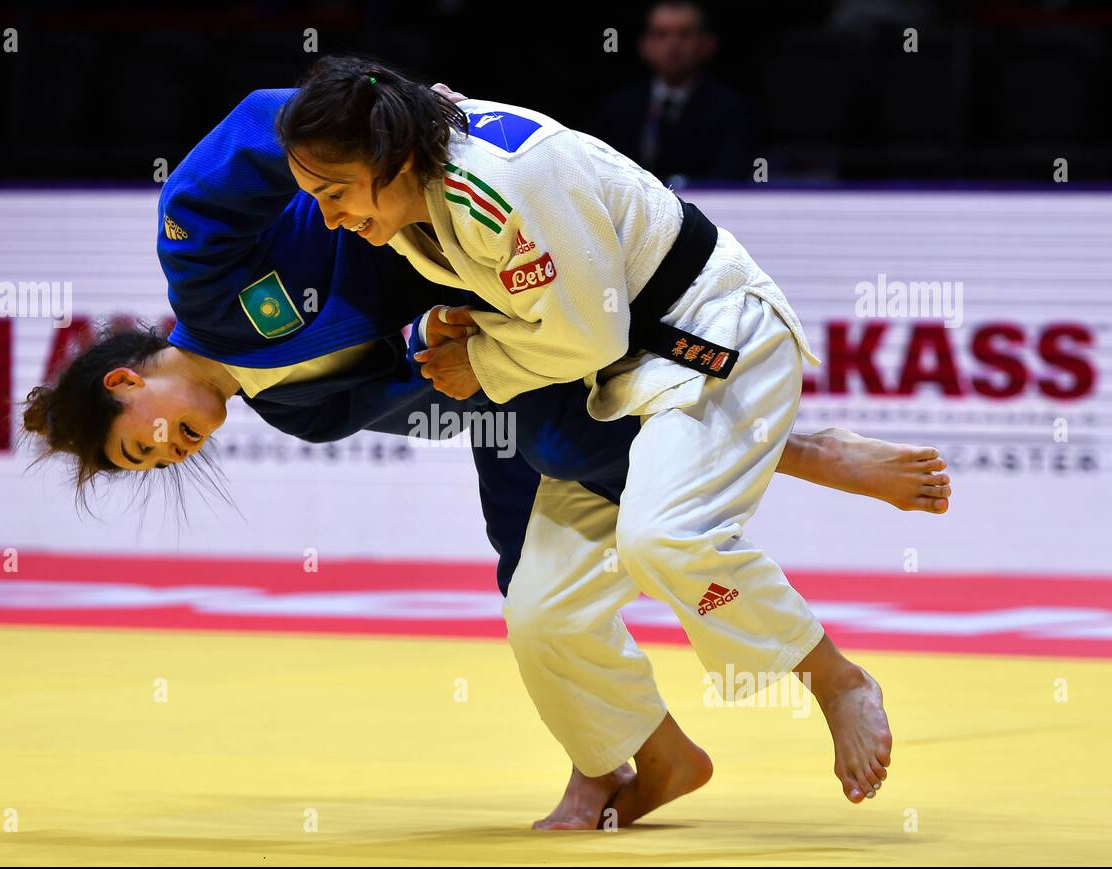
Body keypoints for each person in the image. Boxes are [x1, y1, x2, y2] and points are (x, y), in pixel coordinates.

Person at [23, 83, 951, 829]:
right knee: (535, 604)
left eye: (139, 443)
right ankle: (634, 751)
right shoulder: (298, 414)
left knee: (657, 529)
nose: (166, 454)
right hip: (508, 367)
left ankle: (784, 461)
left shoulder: (201, 254)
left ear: (123, 383)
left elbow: (277, 116)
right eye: (153, 466)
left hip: (546, 303)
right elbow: (460, 401)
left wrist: (369, 141)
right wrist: (452, 352)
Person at [279, 55, 913, 824]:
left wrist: (477, 358)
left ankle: (836, 678)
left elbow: (583, 335)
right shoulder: (420, 167)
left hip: (708, 334)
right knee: (543, 613)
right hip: (615, 373)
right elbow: (548, 313)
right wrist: (464, 327)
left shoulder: (495, 187)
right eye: (314, 195)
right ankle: (653, 756)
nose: (327, 216)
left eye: (335, 192)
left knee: (662, 536)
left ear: (392, 159)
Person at [591, 0, 754, 185]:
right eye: (661, 34)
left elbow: (731, 176)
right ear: (645, 45)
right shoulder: (620, 108)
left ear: (707, 44)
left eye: (685, 35)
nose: (673, 44)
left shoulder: (730, 108)